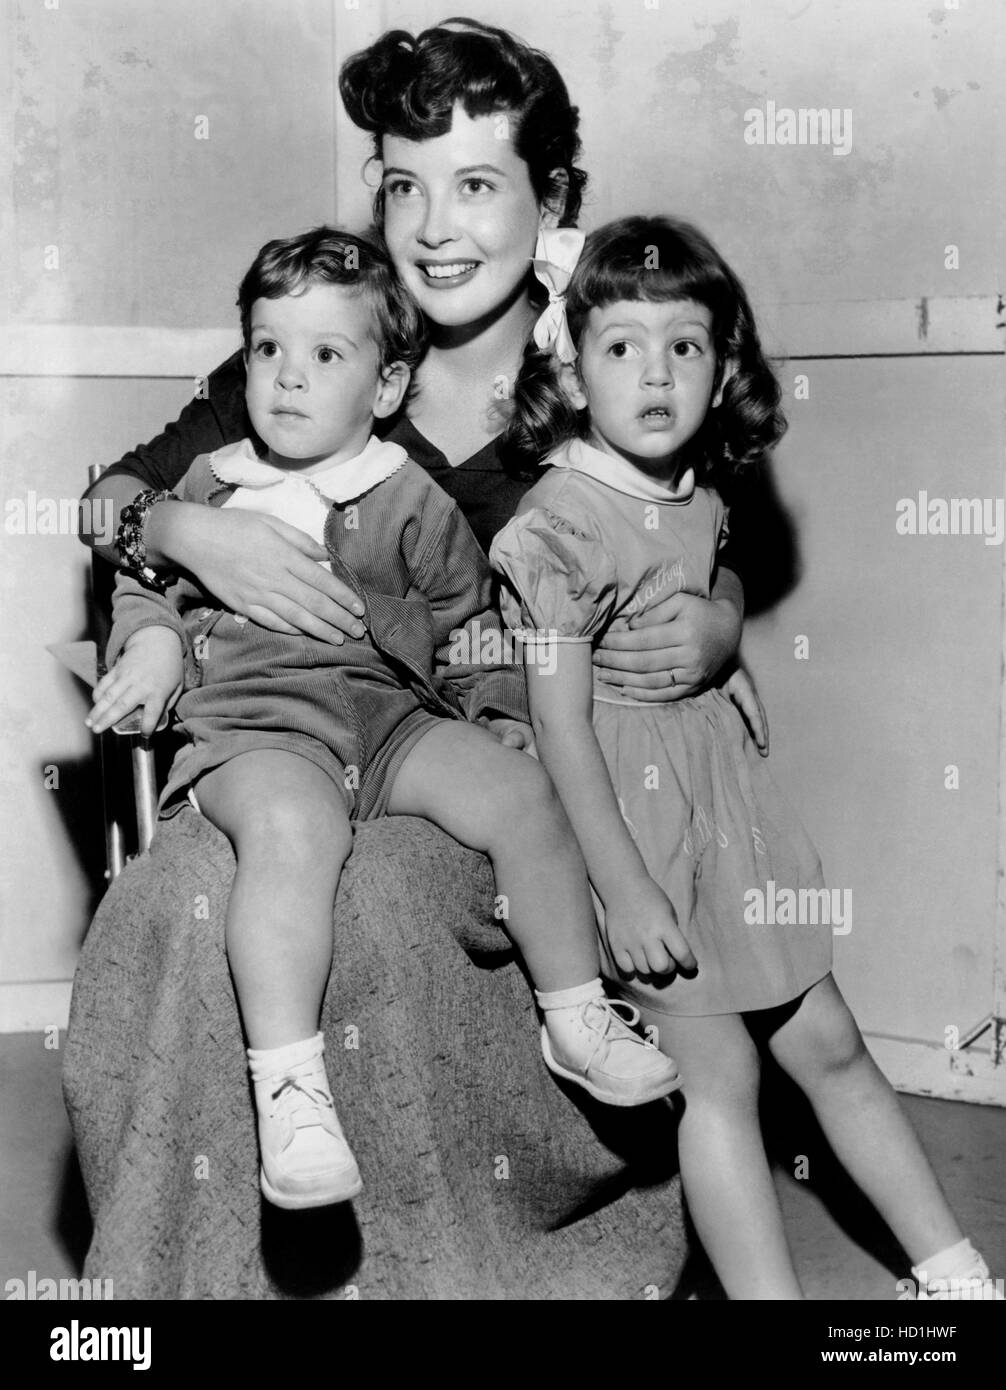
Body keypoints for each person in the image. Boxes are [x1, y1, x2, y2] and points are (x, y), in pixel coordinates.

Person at [85, 226, 681, 1211]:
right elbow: (147, 587)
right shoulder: (207, 486)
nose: (286, 377)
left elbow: (467, 626)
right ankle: (290, 1087)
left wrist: (497, 716)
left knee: (521, 795)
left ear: (387, 385)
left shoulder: (408, 497)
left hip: (388, 720)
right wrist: (148, 646)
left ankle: (577, 1014)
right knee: (293, 828)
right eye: (268, 347)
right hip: (256, 726)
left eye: (326, 355)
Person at [491, 214, 1002, 1301]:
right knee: (715, 1075)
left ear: (724, 369)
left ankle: (953, 1272)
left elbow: (693, 612)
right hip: (627, 821)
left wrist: (724, 657)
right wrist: (622, 891)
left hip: (727, 806)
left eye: (685, 345)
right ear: (572, 371)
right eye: (621, 345)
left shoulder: (701, 496)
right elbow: (560, 724)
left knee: (827, 1042)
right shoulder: (554, 528)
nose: (656, 372)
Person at [78, 17, 762, 733]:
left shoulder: (613, 364)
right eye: (407, 187)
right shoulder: (324, 353)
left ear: (551, 201)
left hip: (547, 772)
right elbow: (99, 505)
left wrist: (722, 619)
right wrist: (189, 533)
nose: (434, 228)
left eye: (475, 186)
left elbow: (695, 530)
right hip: (321, 755)